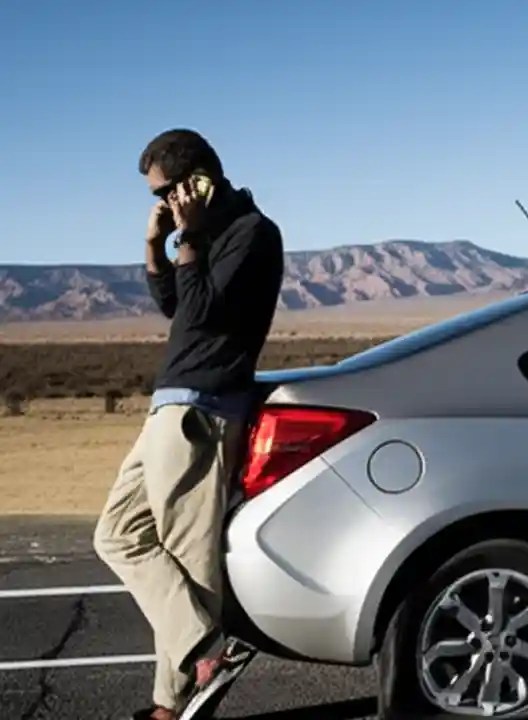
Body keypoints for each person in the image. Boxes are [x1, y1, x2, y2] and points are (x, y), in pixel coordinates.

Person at [93, 128, 284, 720]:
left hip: (200, 409)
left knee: (187, 559)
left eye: (167, 191)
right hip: (173, 404)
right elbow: (180, 307)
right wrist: (159, 248)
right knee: (117, 533)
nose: (163, 203)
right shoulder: (212, 234)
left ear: (198, 179)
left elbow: (200, 317)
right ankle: (203, 649)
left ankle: (173, 703)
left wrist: (192, 236)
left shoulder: (253, 233)